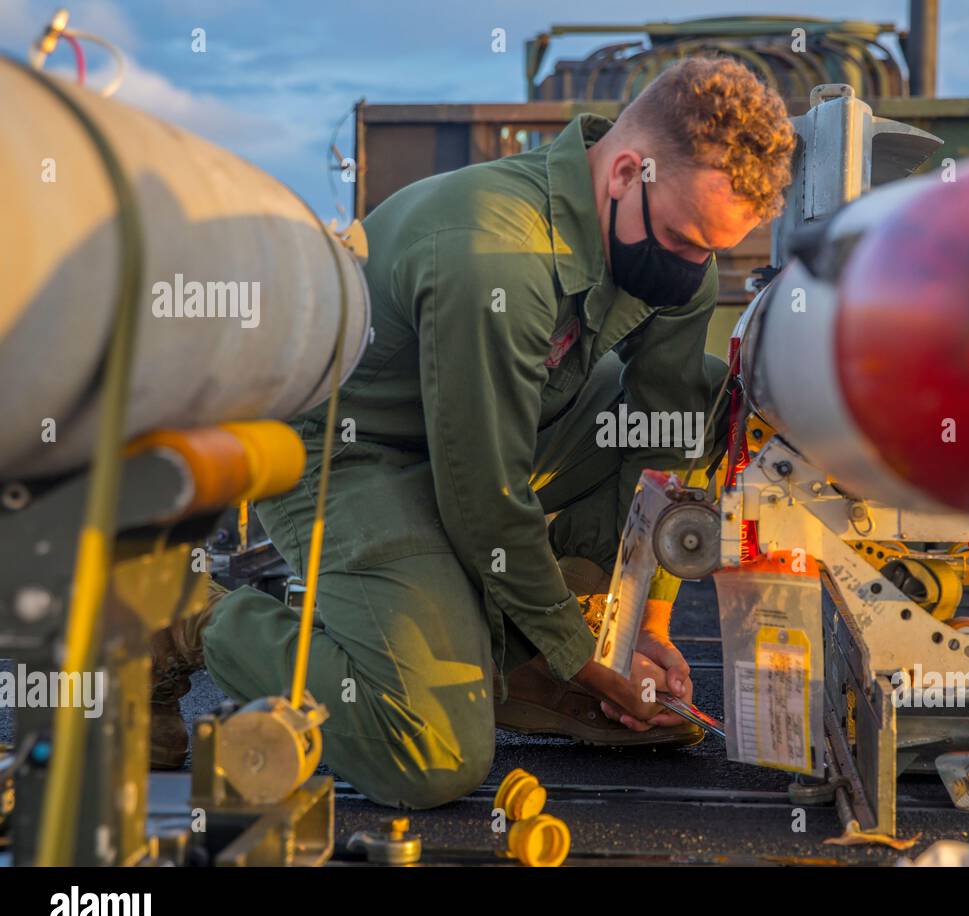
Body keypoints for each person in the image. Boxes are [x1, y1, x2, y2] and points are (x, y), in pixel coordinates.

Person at [149, 56, 797, 810]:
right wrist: (581, 662)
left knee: (707, 403)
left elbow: (663, 451)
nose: (692, 271)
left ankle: (512, 654)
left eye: (712, 249)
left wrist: (642, 631)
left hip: (493, 437)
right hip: (352, 455)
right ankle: (190, 620)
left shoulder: (664, 244)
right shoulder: (494, 254)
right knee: (431, 755)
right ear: (625, 172)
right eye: (685, 241)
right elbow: (485, 499)